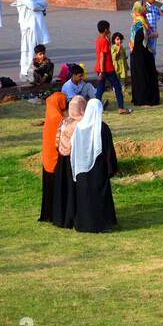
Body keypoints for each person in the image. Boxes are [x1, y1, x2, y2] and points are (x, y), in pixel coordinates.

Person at [69, 98, 119, 232]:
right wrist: (111, 168)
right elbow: (108, 151)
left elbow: (74, 148)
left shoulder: (80, 127)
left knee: (85, 197)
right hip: (98, 169)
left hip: (82, 170)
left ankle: (85, 224)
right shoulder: (102, 128)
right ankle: (102, 224)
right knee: (99, 196)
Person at [51, 96, 86, 228]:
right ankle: (73, 217)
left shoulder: (64, 121)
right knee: (73, 190)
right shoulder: (81, 123)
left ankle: (61, 218)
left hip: (62, 159)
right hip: (74, 159)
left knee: (63, 188)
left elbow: (57, 141)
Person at [38, 92, 68, 221]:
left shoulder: (49, 116)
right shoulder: (58, 118)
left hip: (47, 158)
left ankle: (48, 213)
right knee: (58, 189)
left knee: (49, 189)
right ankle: (57, 213)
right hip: (56, 158)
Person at [92, 19, 131, 114]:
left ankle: (96, 109)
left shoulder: (99, 39)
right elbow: (102, 56)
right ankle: (121, 107)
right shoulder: (104, 41)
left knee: (100, 88)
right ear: (105, 29)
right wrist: (102, 71)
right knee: (117, 87)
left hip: (100, 68)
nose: (109, 30)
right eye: (108, 28)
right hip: (107, 68)